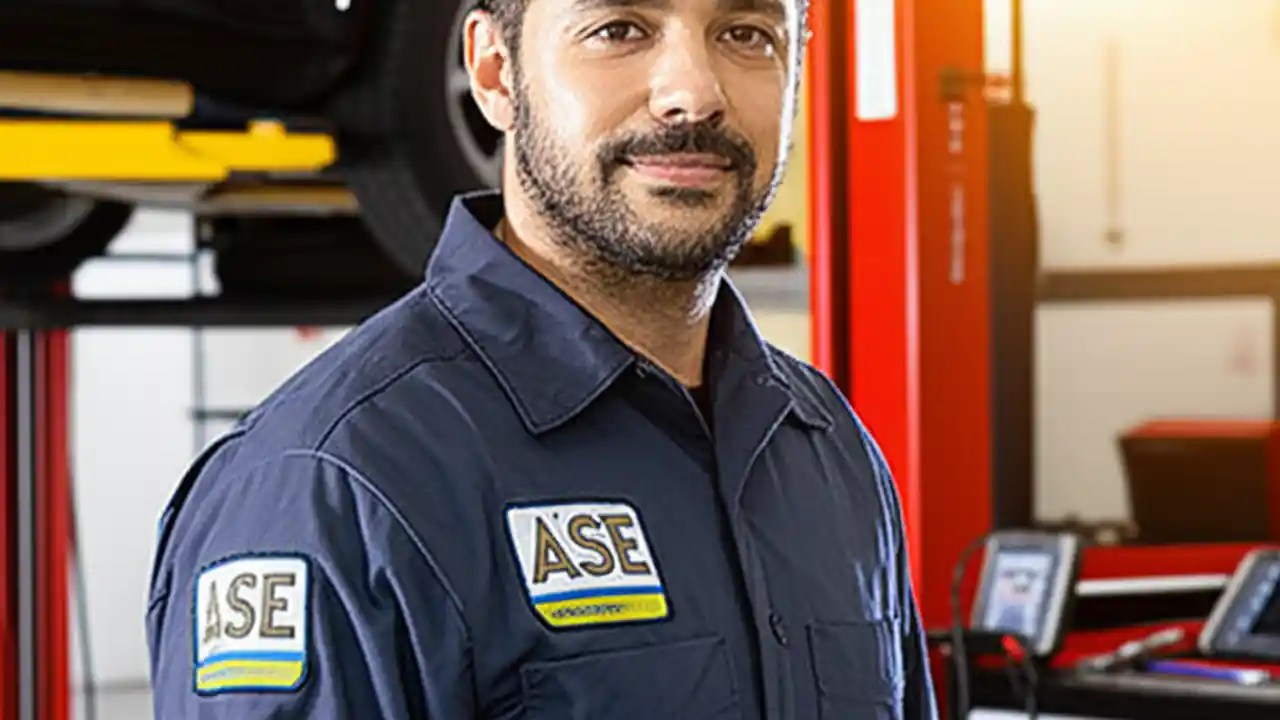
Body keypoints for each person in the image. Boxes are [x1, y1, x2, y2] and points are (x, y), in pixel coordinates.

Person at [146, 0, 938, 717]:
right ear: (495, 72)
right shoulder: (337, 482)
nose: (694, 93)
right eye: (619, 29)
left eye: (747, 34)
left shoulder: (827, 448)